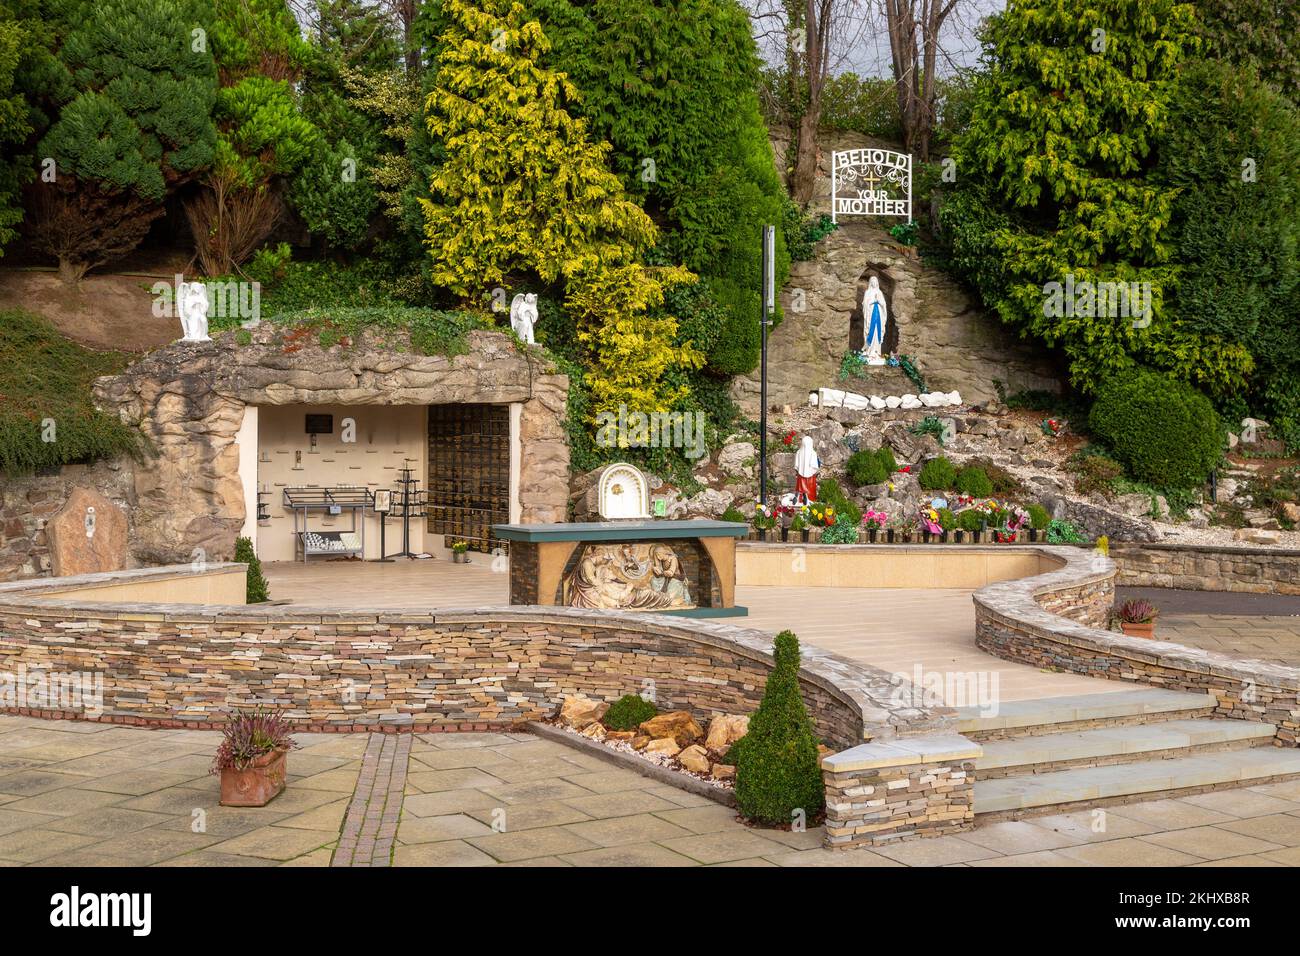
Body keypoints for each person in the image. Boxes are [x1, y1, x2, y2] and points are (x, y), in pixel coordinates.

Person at [794, 436, 820, 504]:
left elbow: (796, 466)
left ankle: (801, 499)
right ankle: (810, 501)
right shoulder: (813, 453)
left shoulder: (798, 452)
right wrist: (810, 471)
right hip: (811, 478)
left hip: (800, 477)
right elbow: (814, 467)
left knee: (800, 489)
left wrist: (800, 471)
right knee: (810, 492)